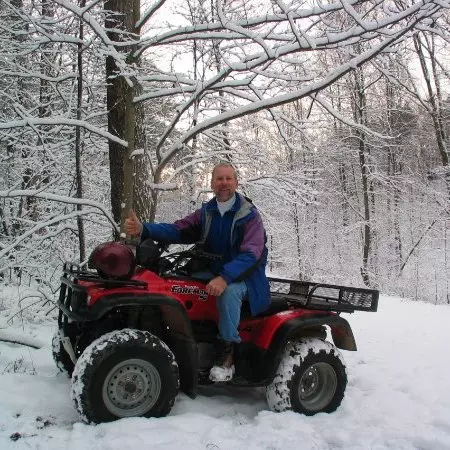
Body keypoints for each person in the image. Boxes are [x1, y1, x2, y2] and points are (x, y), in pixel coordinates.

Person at [124, 163, 270, 382]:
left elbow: (252, 254)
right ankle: (188, 341)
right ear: (212, 183)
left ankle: (227, 353)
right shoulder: (208, 212)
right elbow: (179, 229)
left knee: (228, 293)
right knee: (178, 285)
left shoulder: (248, 216)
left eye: (228, 179)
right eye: (219, 179)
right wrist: (144, 228)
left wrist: (224, 277)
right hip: (214, 272)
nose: (224, 183)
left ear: (236, 182)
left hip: (247, 277)